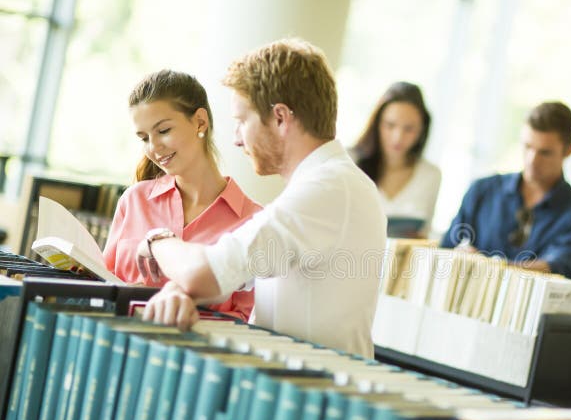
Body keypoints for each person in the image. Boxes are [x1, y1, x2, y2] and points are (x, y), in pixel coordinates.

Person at [136, 39, 387, 358]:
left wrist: (157, 240)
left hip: (311, 394)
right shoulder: (331, 183)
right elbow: (238, 271)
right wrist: (180, 288)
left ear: (280, 118)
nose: (236, 138)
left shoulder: (328, 188)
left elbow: (204, 272)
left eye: (242, 121)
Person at [103, 69, 262, 321]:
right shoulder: (133, 201)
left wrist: (186, 308)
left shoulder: (253, 221)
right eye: (144, 138)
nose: (153, 148)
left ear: (200, 121)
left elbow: (245, 320)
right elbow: (103, 284)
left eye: (163, 130)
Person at [441, 101, 571, 278]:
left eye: (545, 152)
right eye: (527, 147)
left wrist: (490, 267)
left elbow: (559, 267)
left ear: (569, 151)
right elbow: (446, 248)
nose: (532, 161)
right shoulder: (482, 190)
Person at [352, 82, 441, 237]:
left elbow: (425, 234)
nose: (397, 137)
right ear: (377, 124)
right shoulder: (350, 162)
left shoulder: (431, 175)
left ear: (422, 130)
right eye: (390, 125)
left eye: (409, 129)